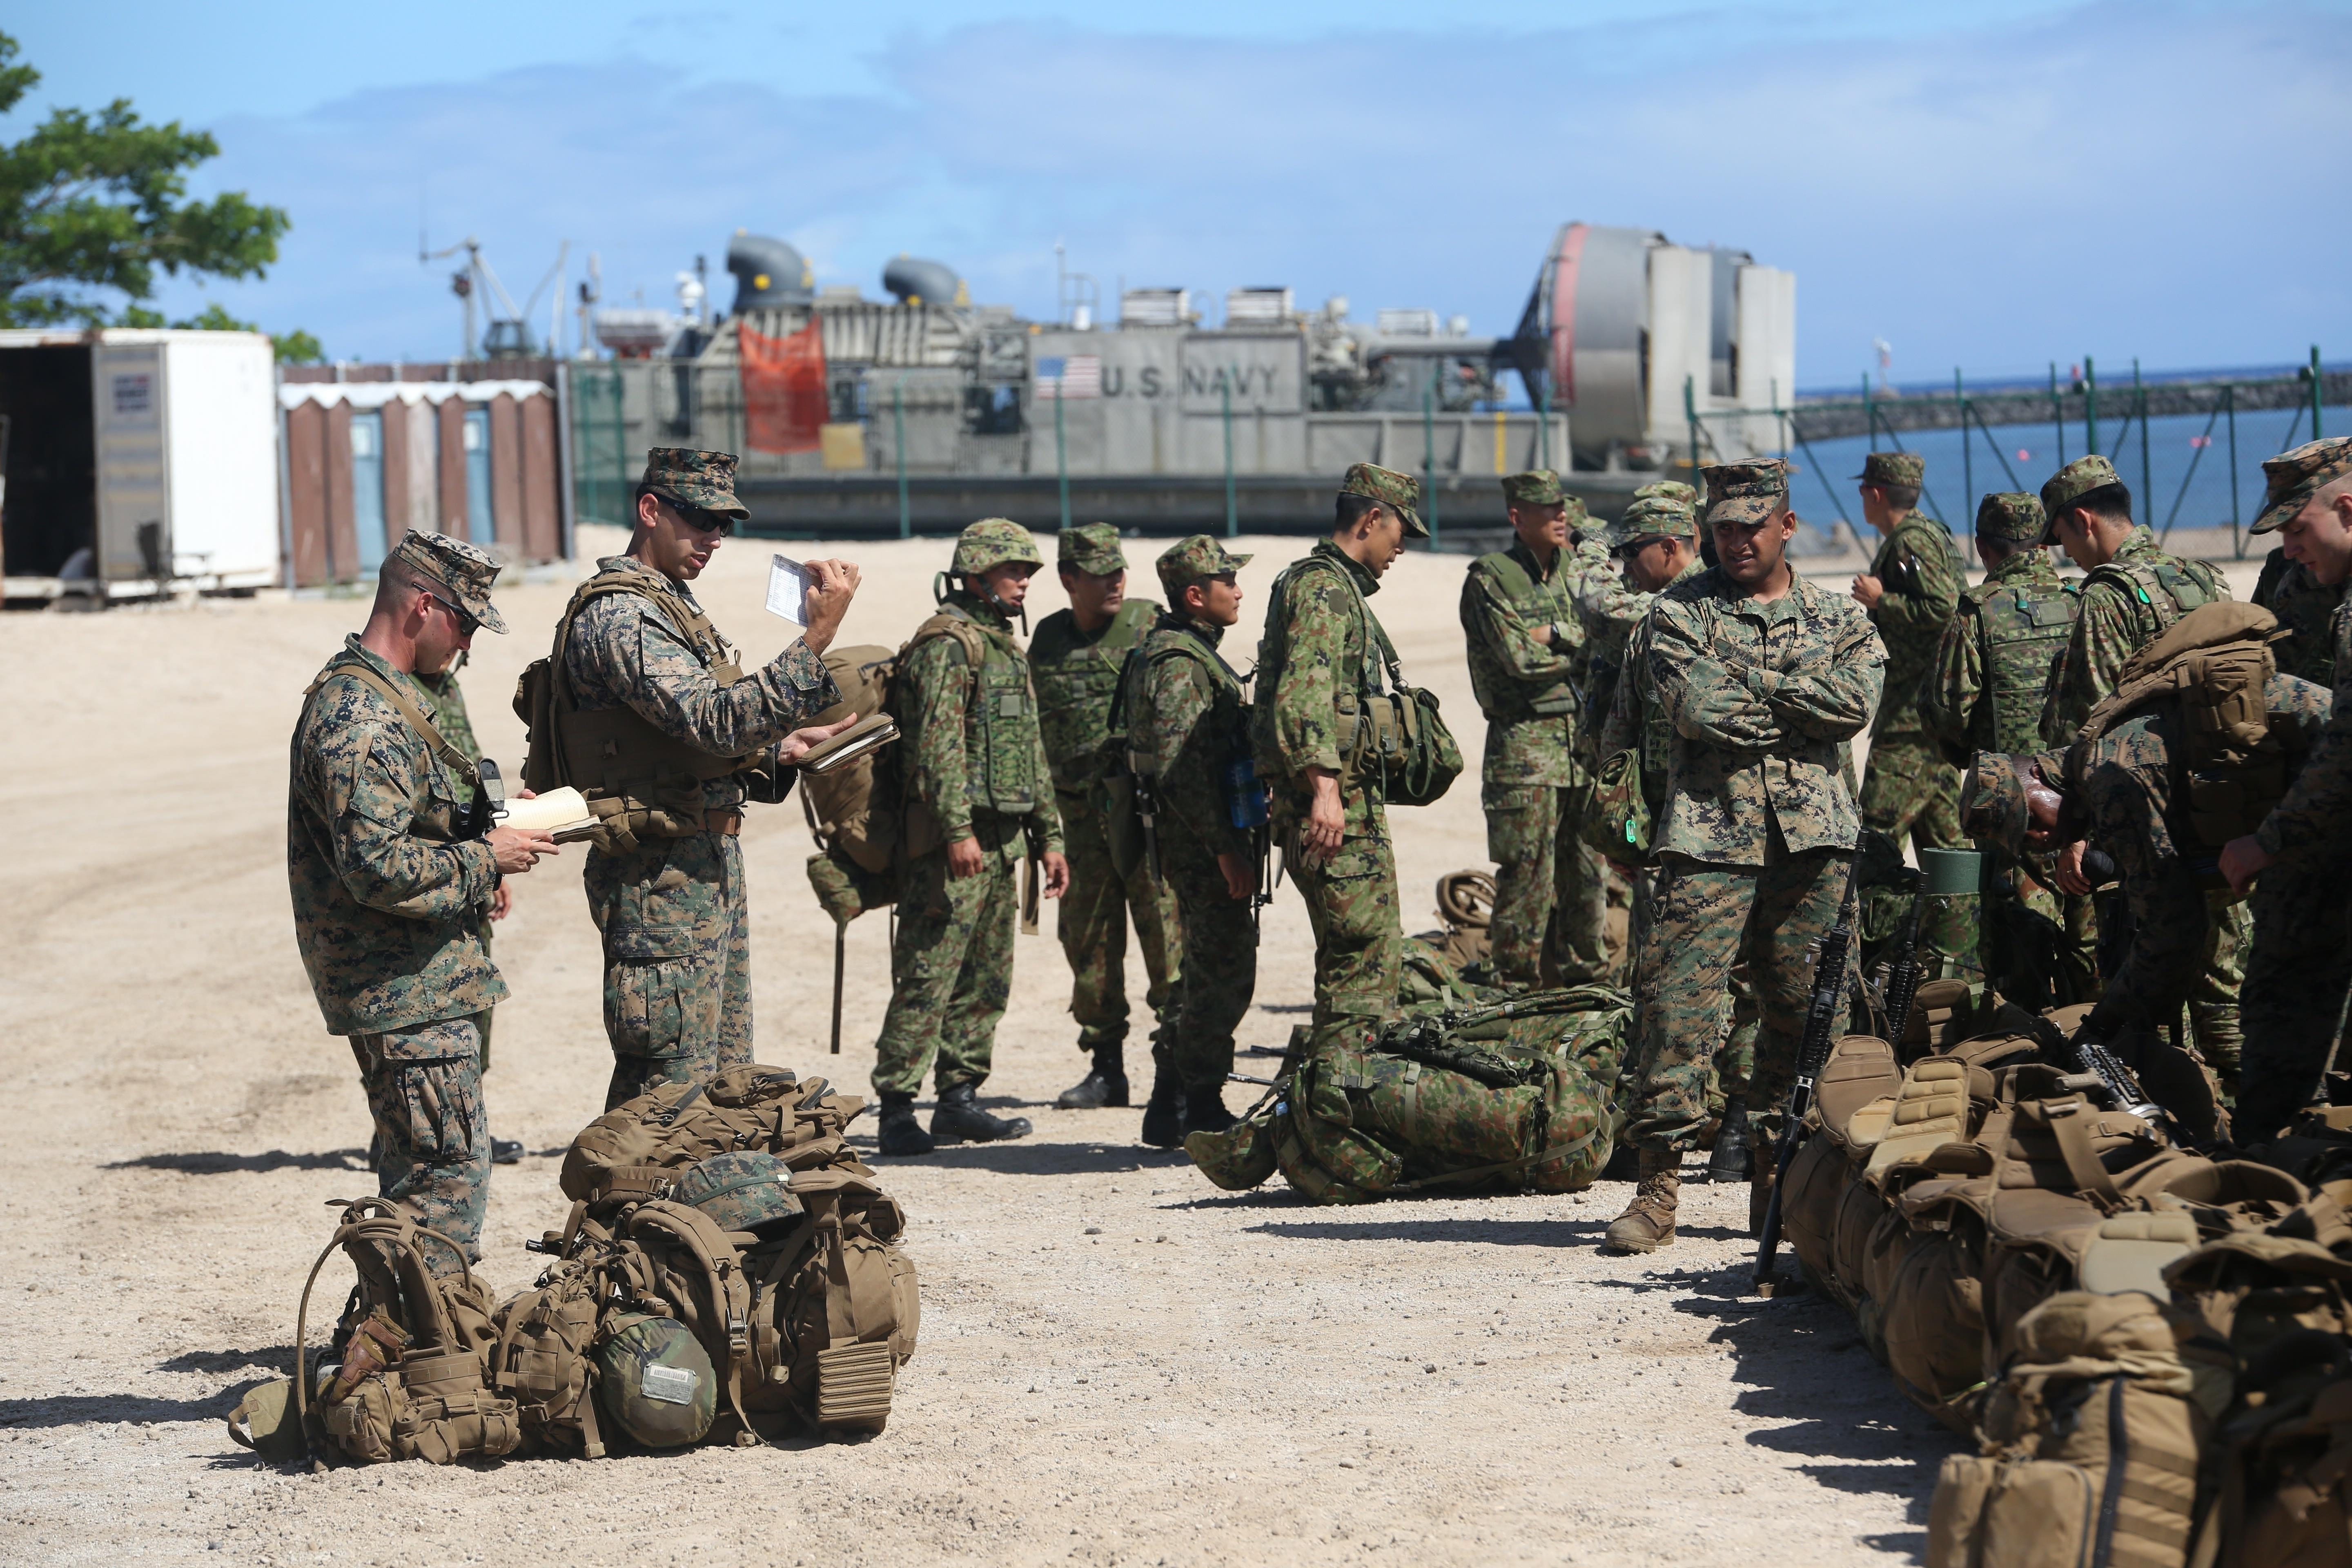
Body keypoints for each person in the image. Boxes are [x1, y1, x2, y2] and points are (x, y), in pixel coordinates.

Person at [1603, 458, 1884, 1254]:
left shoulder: (1841, 618)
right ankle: (1657, 1192)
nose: (1734, 542)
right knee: (1677, 1014)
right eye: (1722, 529)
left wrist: (1760, 692)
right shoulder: (1674, 616)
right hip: (1708, 841)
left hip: (1816, 845)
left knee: (1806, 1023)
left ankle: (1782, 1188)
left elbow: (1854, 706)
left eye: (1750, 527)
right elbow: (1699, 709)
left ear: (1786, 527)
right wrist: (1798, 697)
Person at [554, 449, 858, 1111]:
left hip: (697, 868)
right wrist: (816, 639)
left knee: (719, 1090)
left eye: (724, 524)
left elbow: (685, 742)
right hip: (658, 881)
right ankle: (630, 1214)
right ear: (650, 511)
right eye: (698, 519)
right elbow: (715, 720)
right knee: (666, 1095)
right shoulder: (623, 616)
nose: (713, 538)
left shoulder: (668, 605)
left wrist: (776, 751)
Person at [288, 530, 557, 1273]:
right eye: (464, 622)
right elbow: (373, 867)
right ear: (420, 606)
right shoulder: (360, 718)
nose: (469, 642)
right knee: (443, 1184)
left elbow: (442, 796)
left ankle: (397, 1344)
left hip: (426, 980)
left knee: (429, 1175)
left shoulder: (402, 695)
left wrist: (501, 821)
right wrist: (484, 859)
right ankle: (414, 1355)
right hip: (403, 987)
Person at [1966, 658, 2335, 1125]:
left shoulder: (2111, 778)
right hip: (2317, 796)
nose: (2040, 841)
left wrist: (2103, 1023)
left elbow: (2175, 932)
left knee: (2281, 1003)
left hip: (2331, 782)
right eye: (2024, 840)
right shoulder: (2099, 758)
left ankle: (2307, 1136)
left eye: (2033, 822)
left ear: (2039, 776)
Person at [2036, 454, 2244, 1080]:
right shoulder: (2203, 577)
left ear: (2083, 520)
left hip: (2149, 820)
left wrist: (2078, 835)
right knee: (2223, 975)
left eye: (2064, 539)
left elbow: (2094, 730)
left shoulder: (2109, 596)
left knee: (2144, 971)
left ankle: (2165, 1125)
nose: (2064, 554)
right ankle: (2248, 1118)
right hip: (2225, 804)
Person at [872, 519, 1072, 1156]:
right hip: (952, 847)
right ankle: (897, 1106)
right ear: (979, 575)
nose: (1024, 584)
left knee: (987, 978)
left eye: (1029, 574)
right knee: (928, 975)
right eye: (1015, 572)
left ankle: (959, 1099)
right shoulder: (947, 646)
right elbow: (939, 749)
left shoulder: (1003, 645)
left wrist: (1050, 836)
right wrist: (957, 831)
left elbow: (1029, 749)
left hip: (1004, 842)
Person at [1591, 492, 1760, 1181]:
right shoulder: (1703, 617)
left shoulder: (1665, 618)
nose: (1629, 569)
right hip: (1695, 831)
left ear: (1672, 545)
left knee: (1682, 982)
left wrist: (1621, 834)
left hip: (1693, 829)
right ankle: (1722, 1126)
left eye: (1636, 555)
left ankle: (1723, 1127)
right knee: (1709, 982)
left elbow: (1611, 741)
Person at [1253, 463, 1425, 1063]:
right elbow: (1302, 694)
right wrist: (1324, 790)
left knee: (1363, 954)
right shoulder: (1323, 589)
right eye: (1401, 529)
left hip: (1346, 806)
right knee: (1362, 956)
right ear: (1371, 520)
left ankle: (1340, 1092)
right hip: (1334, 812)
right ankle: (1341, 1099)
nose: (1401, 546)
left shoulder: (1332, 587)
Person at [2218, 437, 2352, 1136]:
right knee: (2280, 991)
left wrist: (2266, 841)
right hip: (2318, 824)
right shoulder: (2293, 577)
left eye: (2300, 530)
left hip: (2315, 816)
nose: (2292, 549)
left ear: (2349, 511)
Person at [1028, 523, 1182, 1115]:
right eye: (1099, 575)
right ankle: (1106, 1068)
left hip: (1145, 819)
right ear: (1070, 580)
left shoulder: (1150, 625)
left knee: (1168, 943)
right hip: (1078, 821)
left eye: (1119, 571)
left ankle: (1176, 1068)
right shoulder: (1048, 639)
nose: (1115, 582)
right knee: (1088, 946)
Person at [1918, 492, 2091, 1011]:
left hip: (2013, 804)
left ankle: (2031, 1042)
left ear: (1982, 547)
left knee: (2017, 934)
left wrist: (1972, 760)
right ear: (2043, 543)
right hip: (2085, 795)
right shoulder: (2086, 602)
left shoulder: (1977, 612)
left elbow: (1946, 710)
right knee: (2091, 925)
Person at [1126, 535, 1261, 1141]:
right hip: (1202, 846)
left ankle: (1171, 1105)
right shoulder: (1179, 663)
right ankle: (1198, 1105)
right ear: (1194, 596)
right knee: (1221, 971)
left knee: (1204, 971)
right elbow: (1181, 771)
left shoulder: (1181, 652)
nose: (1239, 590)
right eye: (1227, 582)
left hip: (1200, 842)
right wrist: (1224, 849)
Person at [1459, 469, 1613, 989]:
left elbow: (1611, 639)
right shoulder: (1491, 577)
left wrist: (1562, 635)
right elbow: (1520, 659)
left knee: (1589, 878)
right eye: (1548, 510)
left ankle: (1586, 986)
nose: (1561, 516)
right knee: (1526, 877)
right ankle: (1516, 987)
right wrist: (1583, 648)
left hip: (1584, 748)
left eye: (1562, 507)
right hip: (1525, 750)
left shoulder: (1579, 568)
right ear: (1517, 517)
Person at [1846, 452, 1967, 968]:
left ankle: (1872, 955)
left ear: (1876, 494)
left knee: (1871, 838)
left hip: (1912, 720)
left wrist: (1880, 602)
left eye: (1864, 490)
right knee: (1948, 846)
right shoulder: (1924, 535)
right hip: (1925, 714)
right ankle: (1961, 953)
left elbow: (1946, 611)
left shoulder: (1912, 542)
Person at [412, 653, 523, 1164]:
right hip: (434, 875)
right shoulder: (400, 692)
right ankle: (415, 1135)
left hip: (471, 868)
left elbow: (474, 773)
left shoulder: (446, 687)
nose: (464, 643)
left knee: (478, 1012)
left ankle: (465, 1131)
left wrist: (491, 862)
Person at [2253, 543, 2345, 687]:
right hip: (2282, 686)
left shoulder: (2340, 562)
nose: (2290, 549)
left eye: (2298, 529)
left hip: (2331, 688)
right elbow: (2257, 621)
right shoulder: (2278, 559)